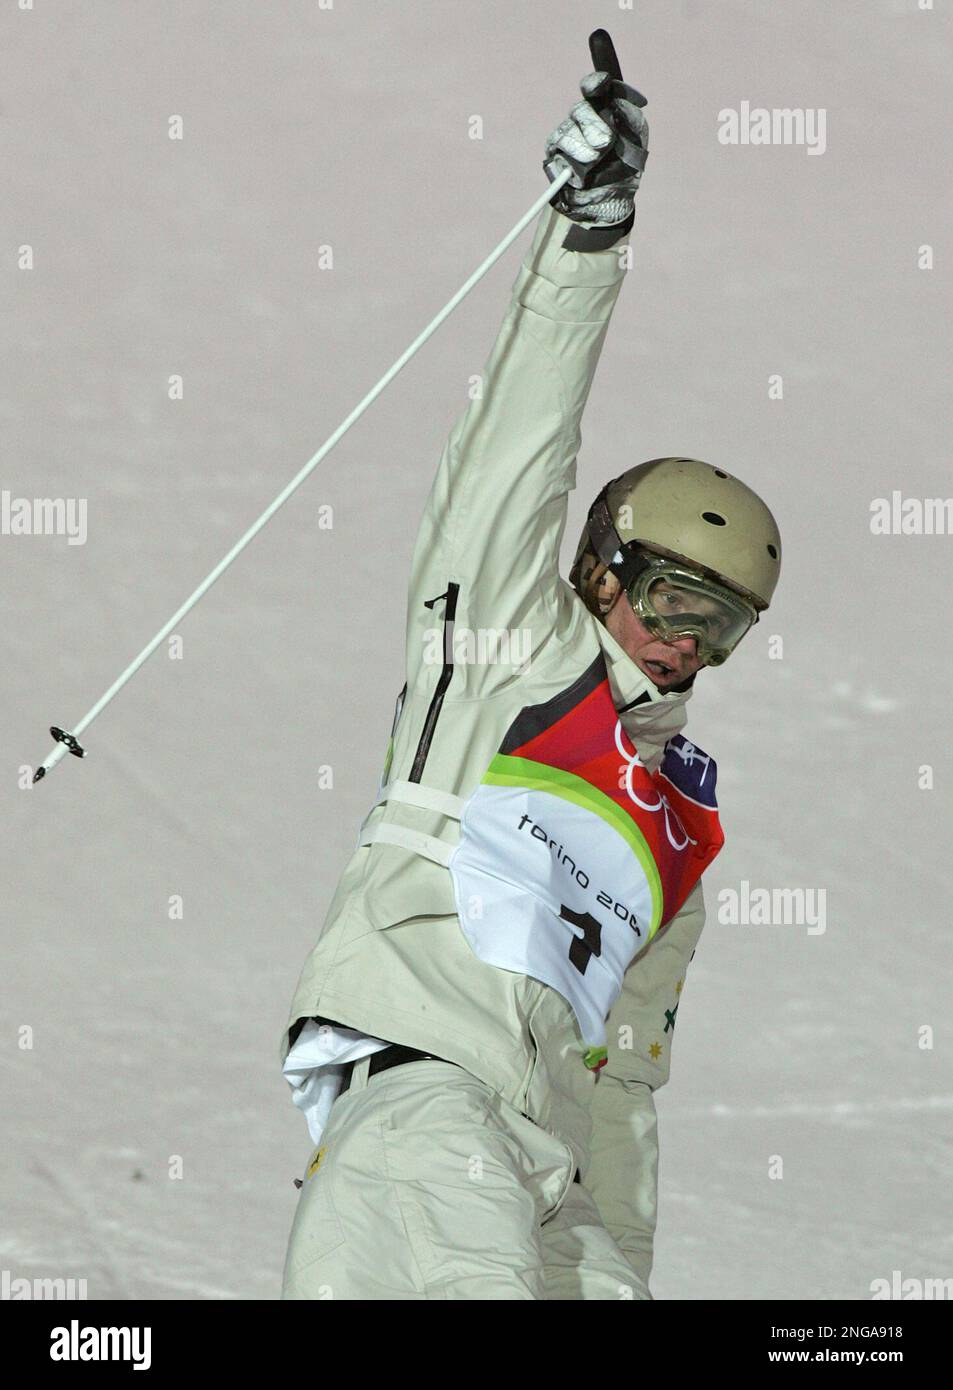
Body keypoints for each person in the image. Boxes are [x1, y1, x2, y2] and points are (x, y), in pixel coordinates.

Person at [279, 59, 781, 1301]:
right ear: (603, 568)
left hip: (549, 1169)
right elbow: (515, 445)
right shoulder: (509, 645)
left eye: (722, 627)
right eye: (673, 600)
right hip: (428, 1108)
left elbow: (626, 1084)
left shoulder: (676, 818)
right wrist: (585, 238)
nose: (684, 643)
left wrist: (623, 1262)